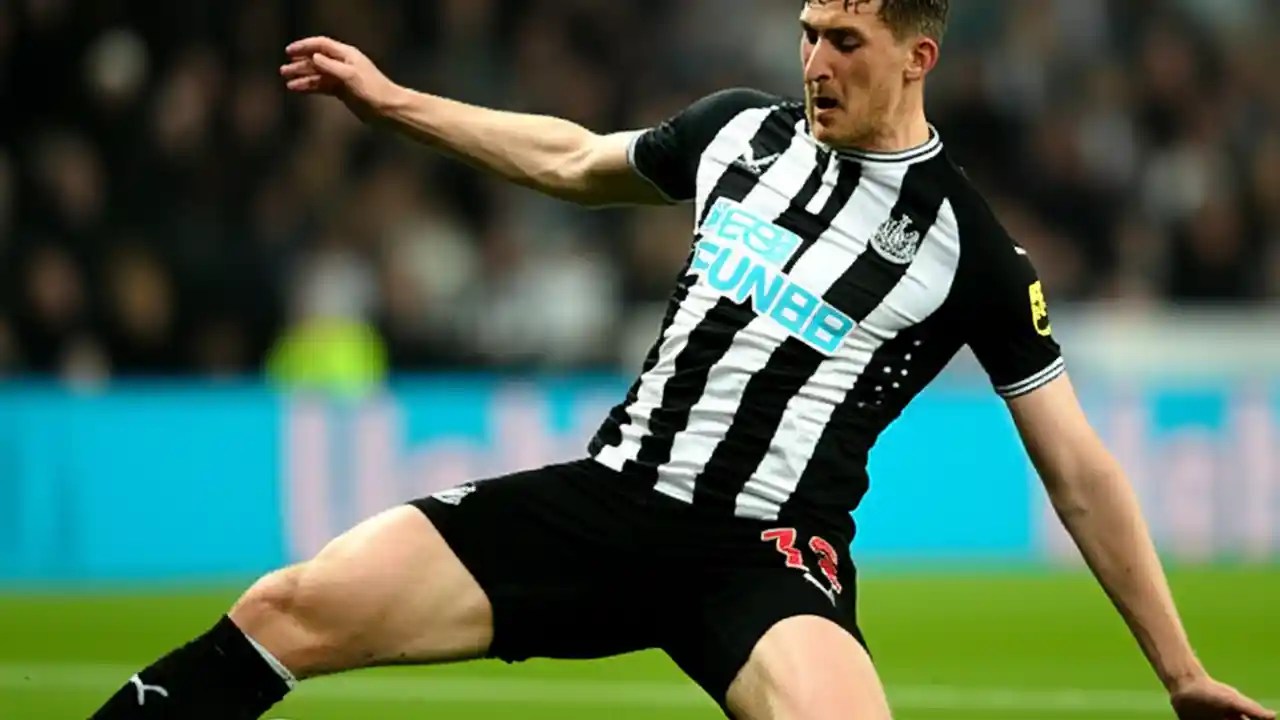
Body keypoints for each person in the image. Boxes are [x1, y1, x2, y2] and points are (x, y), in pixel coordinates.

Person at [90, 1, 1275, 719]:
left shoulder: (966, 246)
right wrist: (399, 104)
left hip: (765, 555)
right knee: (286, 607)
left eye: (844, 42)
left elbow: (1076, 469)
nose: (814, 59)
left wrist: (1174, 666)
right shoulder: (738, 130)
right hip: (609, 502)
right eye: (806, 32)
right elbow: (565, 159)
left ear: (915, 56)